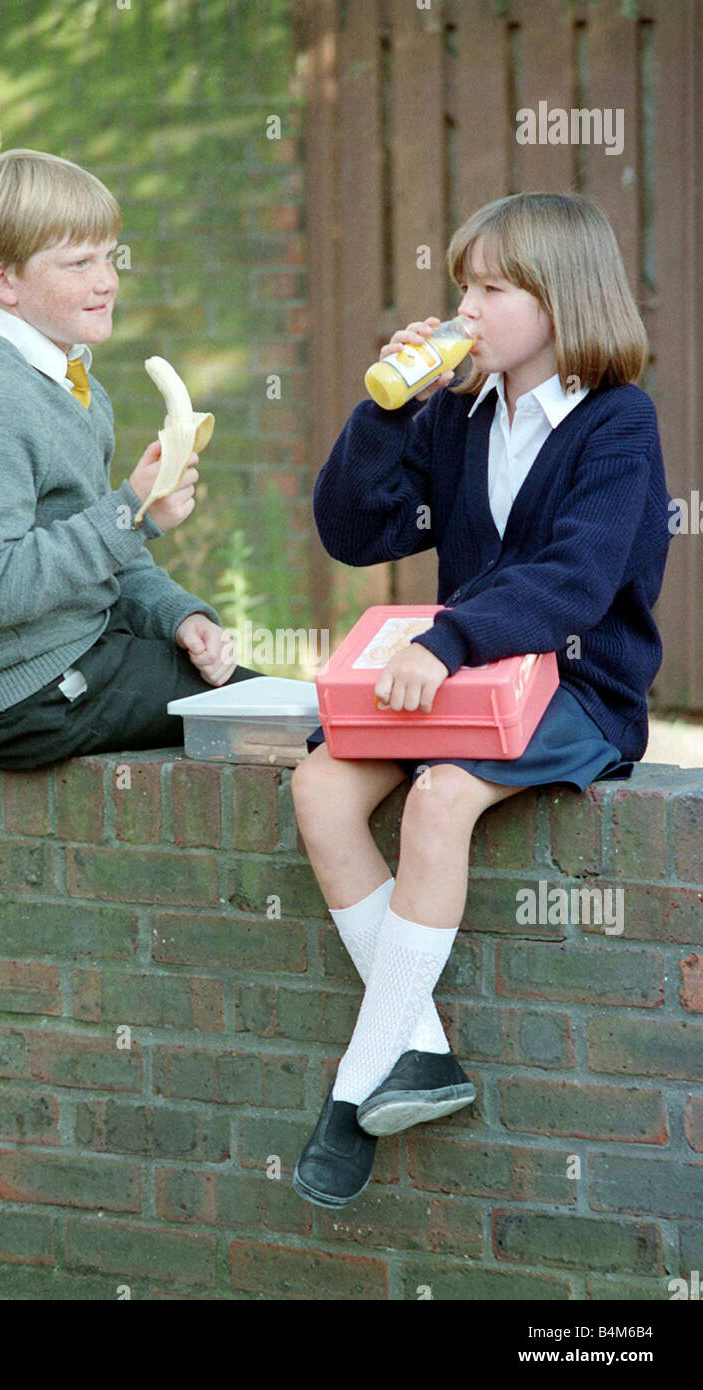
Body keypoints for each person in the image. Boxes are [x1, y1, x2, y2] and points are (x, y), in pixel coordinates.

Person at [290, 191, 674, 1208]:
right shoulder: (460, 414)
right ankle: (416, 1049)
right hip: (467, 679)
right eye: (463, 283)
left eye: (490, 288)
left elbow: (575, 579)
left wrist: (448, 634)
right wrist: (382, 414)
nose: (466, 305)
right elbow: (352, 529)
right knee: (323, 785)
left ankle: (348, 1091)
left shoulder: (614, 422)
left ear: (557, 300)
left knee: (441, 796)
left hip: (574, 682)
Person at [0, 148, 257, 771]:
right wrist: (131, 514)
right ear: (4, 281)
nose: (107, 279)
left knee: (277, 708)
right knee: (286, 725)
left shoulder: (71, 382)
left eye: (109, 257)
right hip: (19, 698)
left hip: (78, 652)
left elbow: (100, 553)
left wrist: (176, 616)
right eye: (79, 262)